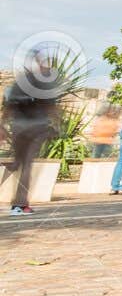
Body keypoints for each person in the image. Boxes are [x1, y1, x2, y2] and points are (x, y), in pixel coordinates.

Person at [3, 50, 64, 216]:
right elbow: (52, 108)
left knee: (17, 164)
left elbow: (9, 105)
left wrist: (2, 125)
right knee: (26, 166)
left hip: (18, 128)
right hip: (35, 129)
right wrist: (57, 126)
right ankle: (20, 205)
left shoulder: (20, 82)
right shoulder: (45, 85)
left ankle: (19, 203)